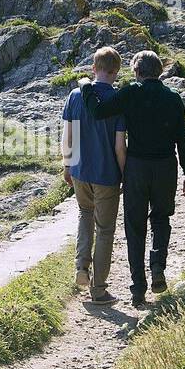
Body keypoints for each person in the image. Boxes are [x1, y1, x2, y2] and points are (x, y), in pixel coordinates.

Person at [81, 49, 185, 307]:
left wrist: (86, 87)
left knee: (134, 228)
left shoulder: (131, 92)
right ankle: (157, 264)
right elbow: (183, 139)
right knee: (161, 218)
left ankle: (138, 289)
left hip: (136, 168)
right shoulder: (173, 98)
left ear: (137, 72)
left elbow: (98, 112)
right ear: (160, 72)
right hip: (166, 166)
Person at [62, 46, 127, 306]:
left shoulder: (76, 95)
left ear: (94, 68)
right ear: (116, 72)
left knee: (84, 215)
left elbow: (69, 135)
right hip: (106, 174)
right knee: (105, 230)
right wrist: (124, 175)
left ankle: (81, 266)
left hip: (79, 170)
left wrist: (67, 166)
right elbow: (119, 146)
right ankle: (98, 290)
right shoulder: (118, 101)